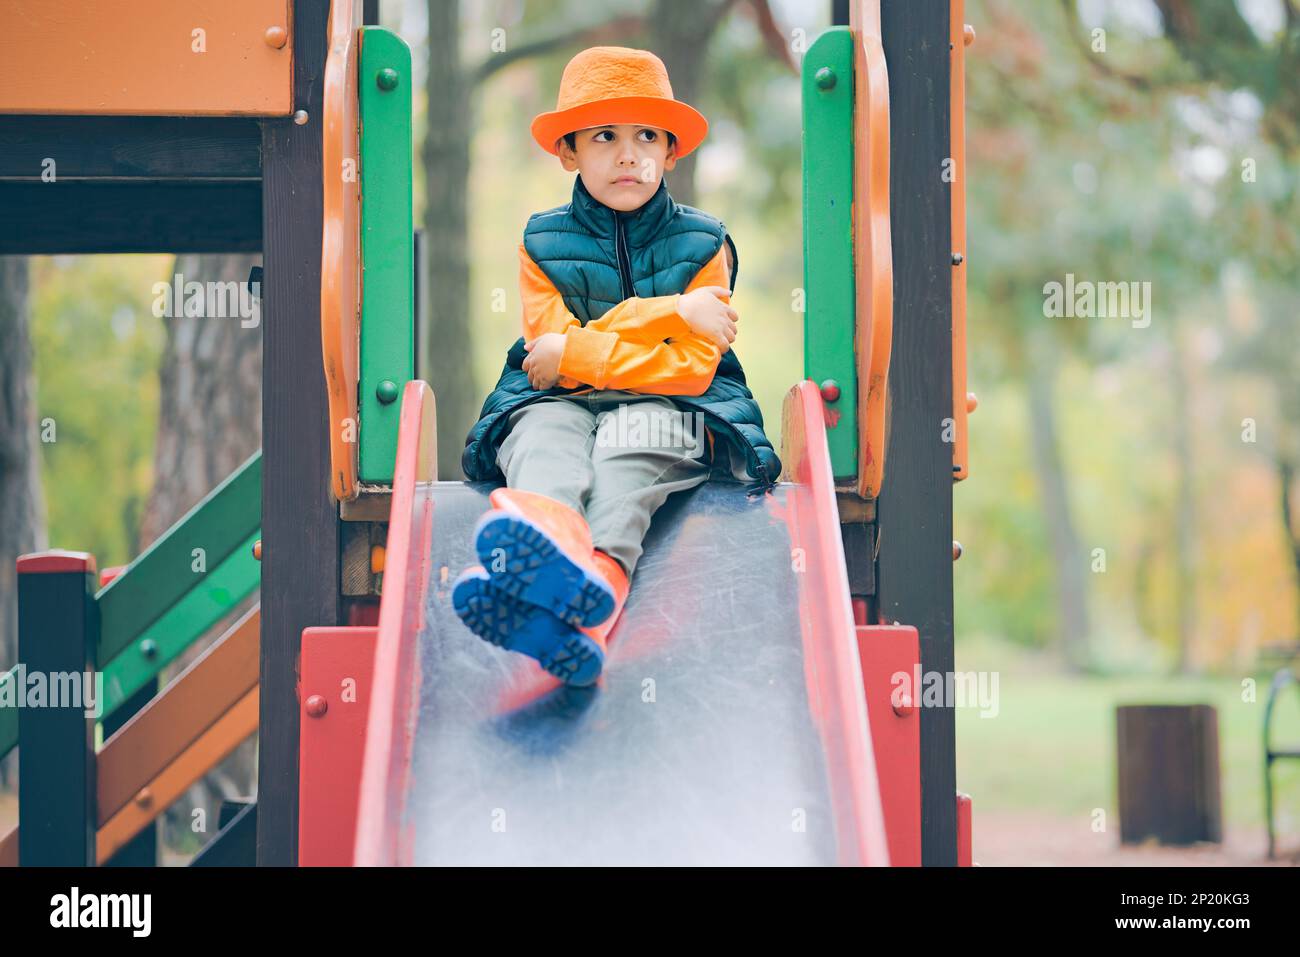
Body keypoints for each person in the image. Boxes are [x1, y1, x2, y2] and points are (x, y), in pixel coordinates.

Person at [453, 46, 781, 687]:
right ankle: (547, 562)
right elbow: (547, 361)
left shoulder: (704, 244)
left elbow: (690, 372)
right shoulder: (541, 240)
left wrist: (578, 352)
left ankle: (588, 599)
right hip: (557, 402)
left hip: (674, 406)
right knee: (543, 440)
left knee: (625, 460)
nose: (629, 154)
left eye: (647, 136)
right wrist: (673, 311)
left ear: (670, 152)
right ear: (568, 152)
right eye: (605, 136)